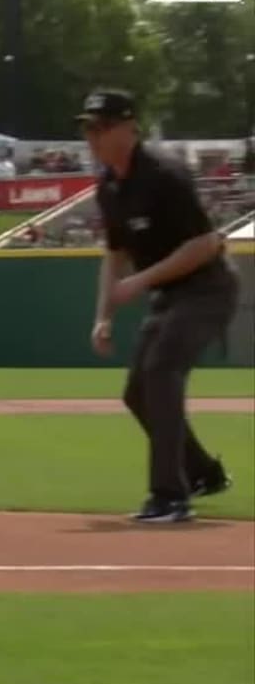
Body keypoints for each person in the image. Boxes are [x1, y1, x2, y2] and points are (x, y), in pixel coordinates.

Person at [81, 89, 241, 523]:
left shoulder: (165, 175)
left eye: (102, 126)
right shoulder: (110, 187)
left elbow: (207, 244)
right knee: (137, 393)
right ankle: (201, 472)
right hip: (170, 294)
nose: (92, 135)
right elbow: (114, 256)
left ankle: (170, 497)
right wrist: (103, 317)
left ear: (129, 129)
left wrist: (141, 281)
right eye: (88, 127)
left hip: (208, 288)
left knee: (161, 369)